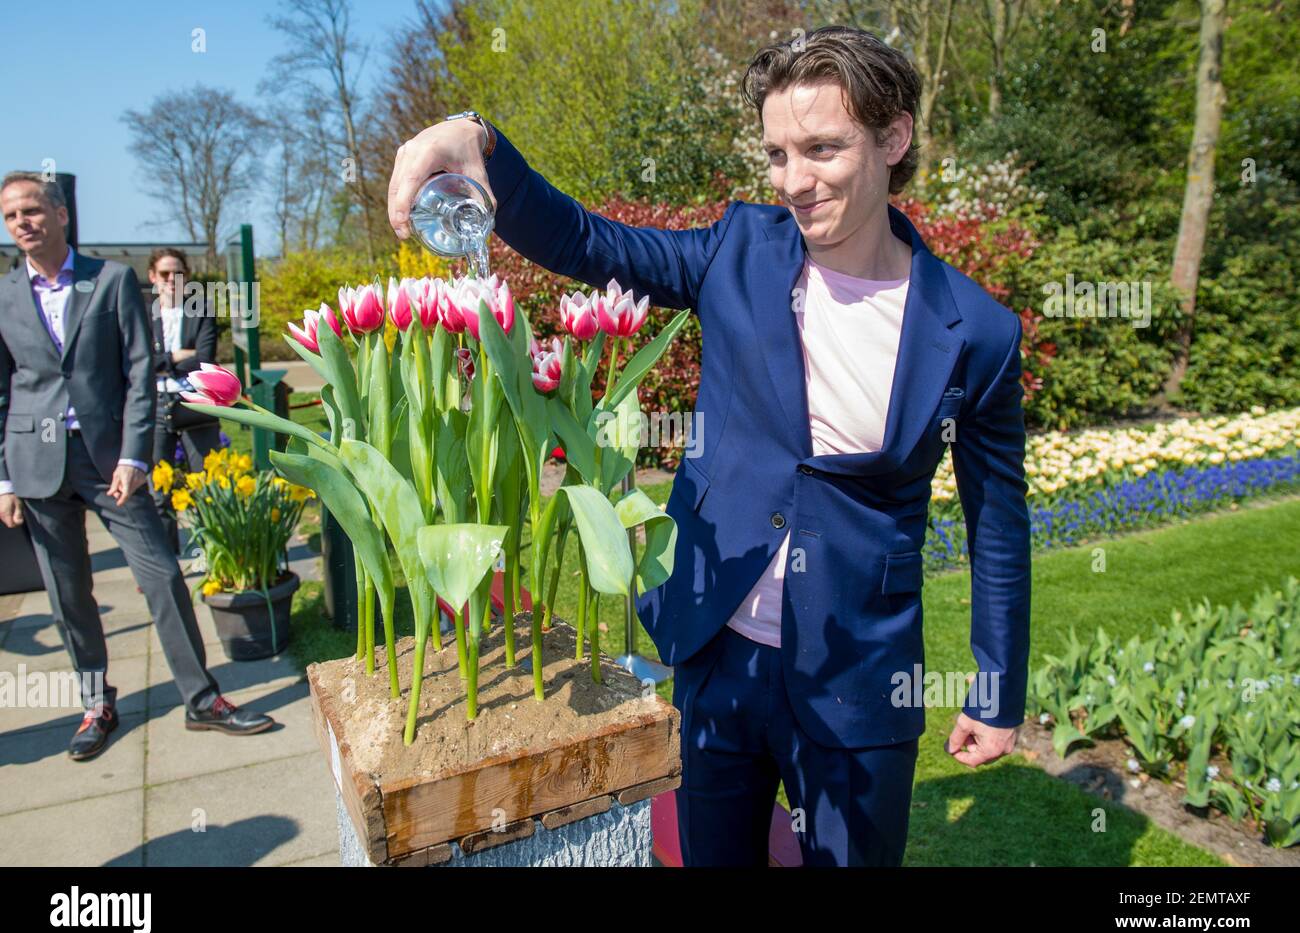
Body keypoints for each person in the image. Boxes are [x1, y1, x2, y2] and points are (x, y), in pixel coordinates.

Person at [386, 25, 1031, 866]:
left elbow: (998, 524)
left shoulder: (974, 330)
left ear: (893, 137)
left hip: (860, 682)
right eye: (776, 154)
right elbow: (588, 241)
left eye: (823, 148)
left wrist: (996, 687)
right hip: (714, 657)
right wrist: (479, 140)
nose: (795, 181)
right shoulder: (740, 253)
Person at [0, 171, 273, 761]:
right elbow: (3, 392)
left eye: (31, 210)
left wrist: (133, 455)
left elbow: (137, 375)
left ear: (60, 215)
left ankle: (201, 699)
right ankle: (96, 703)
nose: (22, 222)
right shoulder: (3, 297)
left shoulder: (111, 281)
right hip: (36, 464)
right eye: (11, 216)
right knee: (67, 592)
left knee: (162, 576)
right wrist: (3, 478)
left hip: (111, 463)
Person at [147, 247, 222, 555]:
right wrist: (175, 357)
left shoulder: (201, 310)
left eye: (178, 273)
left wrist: (160, 361)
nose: (171, 280)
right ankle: (165, 558)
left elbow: (205, 359)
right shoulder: (142, 314)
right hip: (154, 405)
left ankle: (213, 553)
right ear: (153, 277)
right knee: (157, 489)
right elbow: (137, 362)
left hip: (195, 403)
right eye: (165, 274)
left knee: (206, 483)